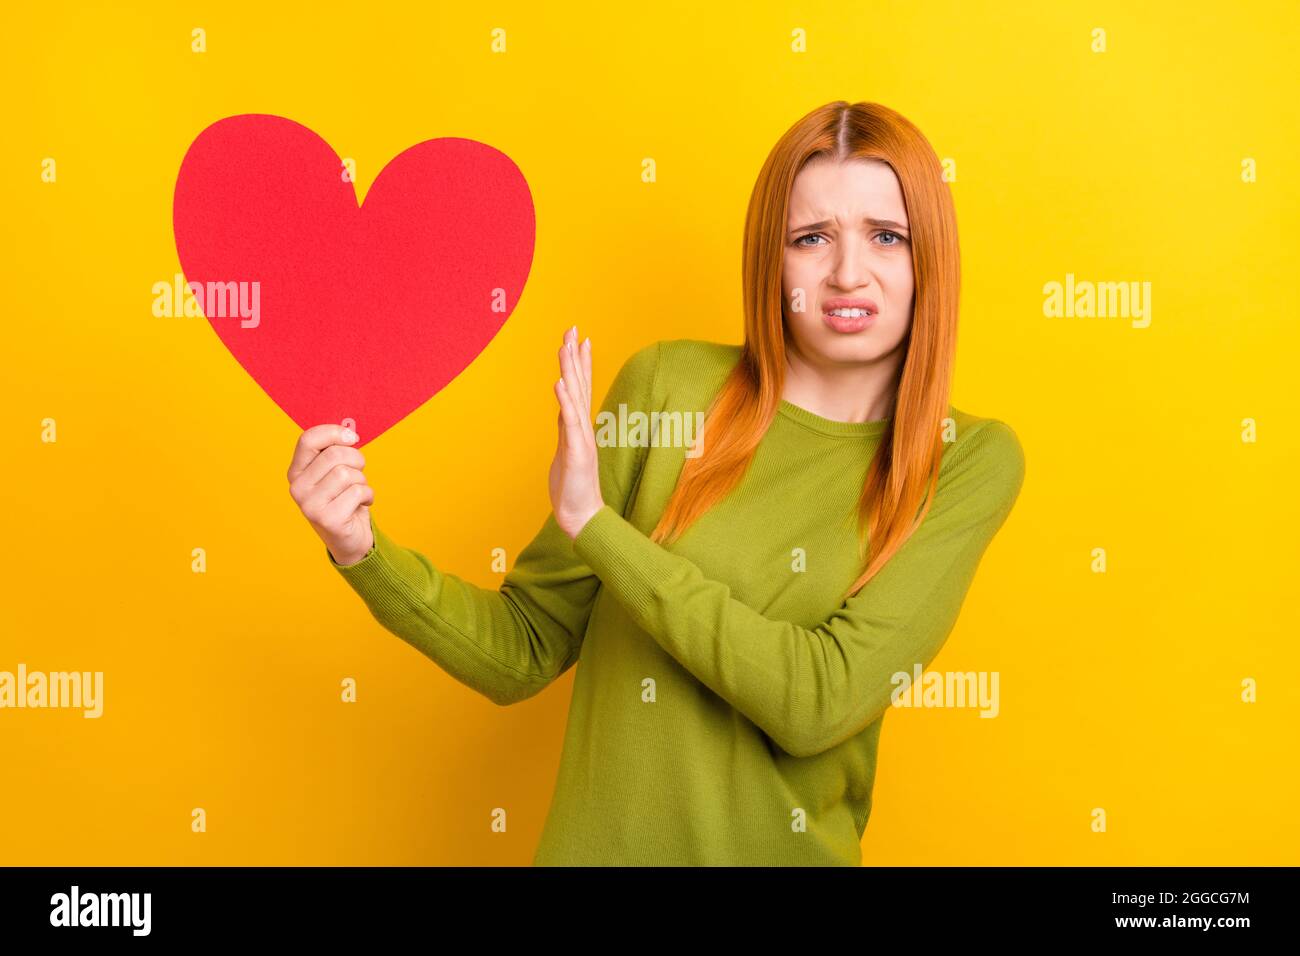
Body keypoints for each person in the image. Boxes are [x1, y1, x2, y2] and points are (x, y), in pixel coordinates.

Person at [287, 100, 1026, 866]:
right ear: (771, 259)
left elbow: (818, 702)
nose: (847, 272)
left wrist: (598, 526)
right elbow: (524, 650)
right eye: (811, 238)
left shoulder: (964, 459)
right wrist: (359, 547)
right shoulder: (667, 388)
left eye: (886, 236)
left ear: (928, 255)